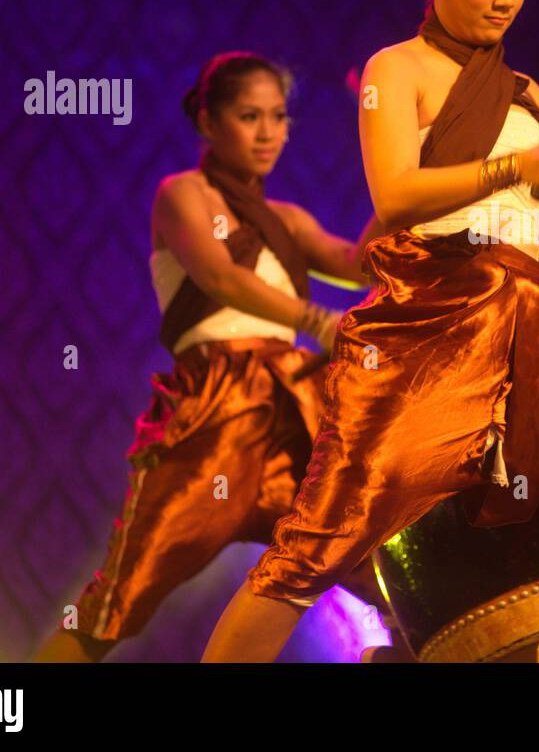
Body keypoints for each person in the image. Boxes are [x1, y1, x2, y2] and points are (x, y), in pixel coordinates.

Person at [202, 0, 539, 661]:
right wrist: (518, 164)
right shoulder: (399, 70)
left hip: (529, 339)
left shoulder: (529, 95)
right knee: (314, 545)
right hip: (431, 333)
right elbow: (395, 194)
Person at [34, 51, 383, 661]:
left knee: (374, 562)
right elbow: (220, 277)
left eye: (278, 117)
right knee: (117, 599)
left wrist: (404, 172)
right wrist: (314, 319)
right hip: (212, 409)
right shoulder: (181, 196)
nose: (269, 132)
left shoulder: (287, 220)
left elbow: (364, 263)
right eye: (250, 116)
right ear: (208, 123)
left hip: (291, 412)